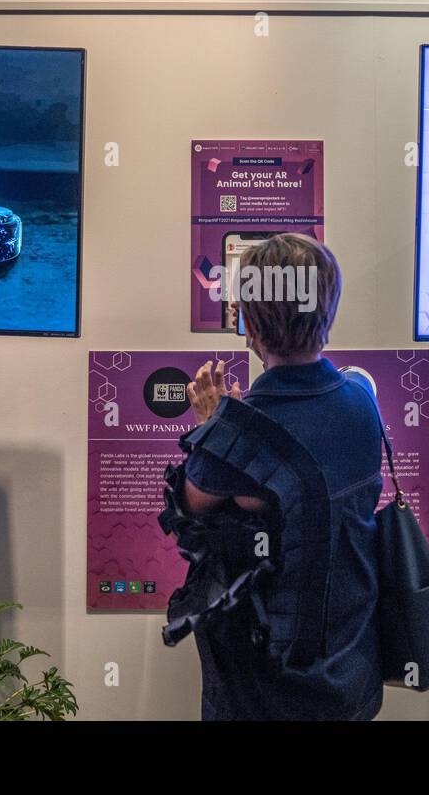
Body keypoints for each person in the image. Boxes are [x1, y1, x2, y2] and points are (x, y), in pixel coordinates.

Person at [159, 233, 384, 720]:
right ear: (327, 309)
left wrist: (214, 426)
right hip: (351, 673)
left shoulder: (240, 434)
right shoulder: (363, 404)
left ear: (251, 323)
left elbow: (189, 509)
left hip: (264, 691)